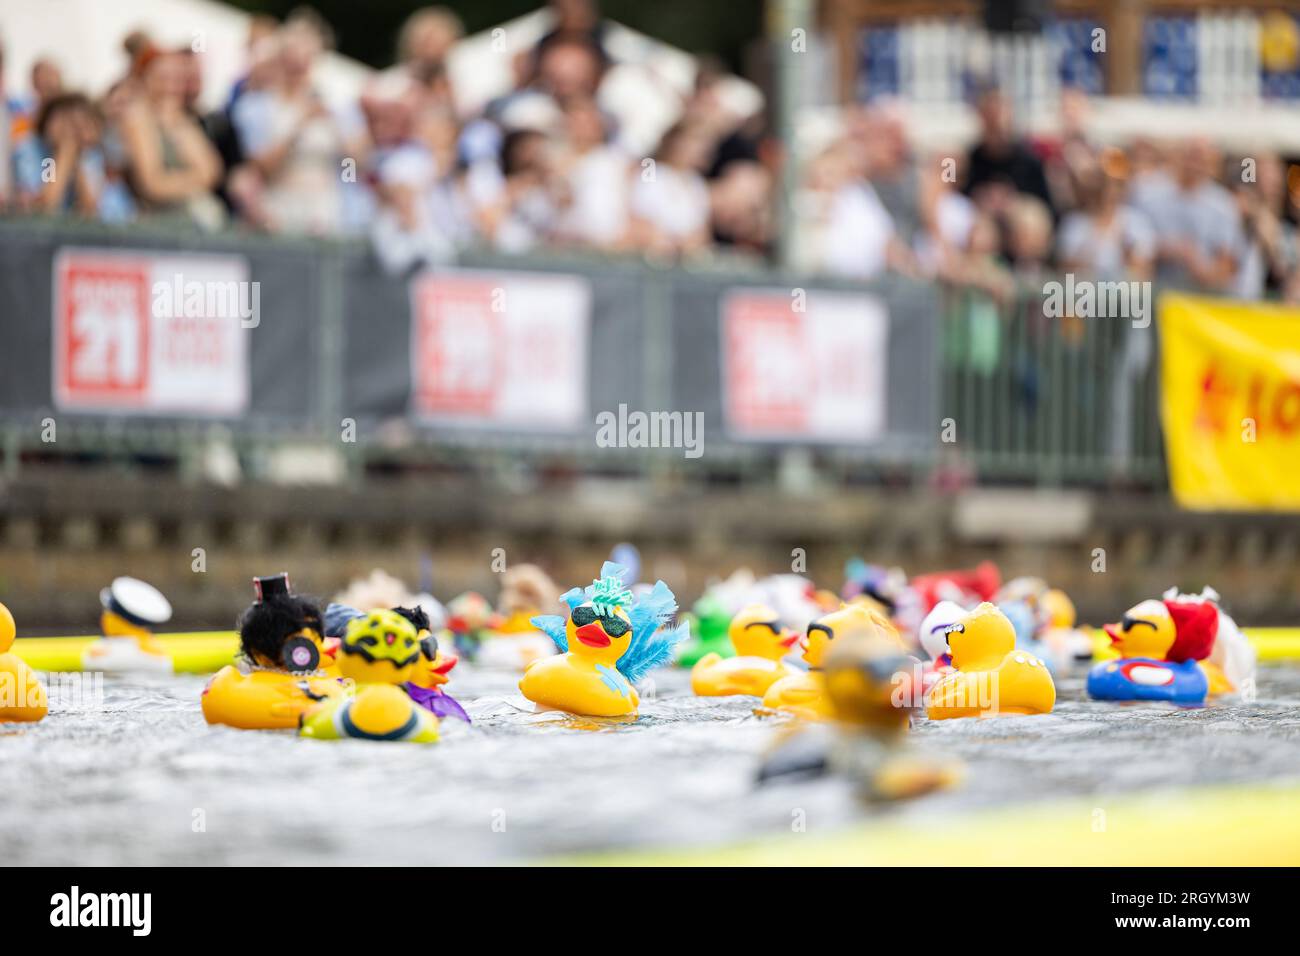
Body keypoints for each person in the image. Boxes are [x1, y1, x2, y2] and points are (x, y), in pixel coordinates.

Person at [120, 46, 224, 227]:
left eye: (177, 80)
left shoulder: (184, 120)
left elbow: (212, 173)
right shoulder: (136, 118)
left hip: (193, 222)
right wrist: (196, 179)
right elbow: (152, 184)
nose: (170, 87)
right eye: (163, 78)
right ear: (145, 79)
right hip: (158, 223)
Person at [964, 86, 1054, 217]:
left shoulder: (1030, 162)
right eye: (991, 115)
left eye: (1001, 114)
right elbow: (957, 200)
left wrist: (1014, 202)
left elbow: (1046, 209)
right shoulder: (970, 161)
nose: (998, 123)